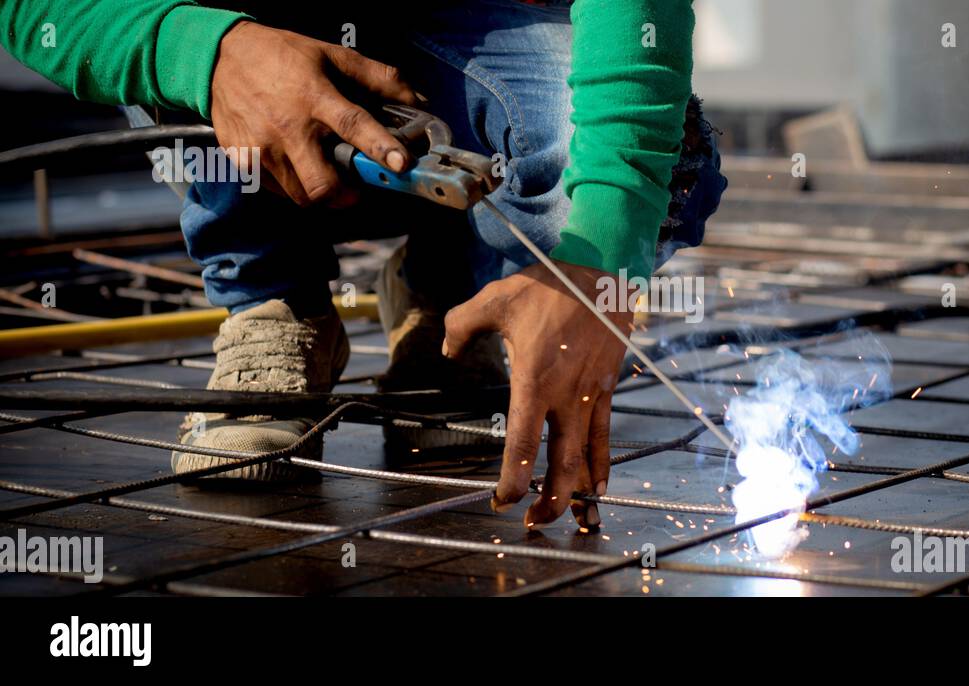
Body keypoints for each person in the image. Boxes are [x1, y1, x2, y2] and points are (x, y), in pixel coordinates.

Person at [0, 0, 726, 530]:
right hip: (252, 28)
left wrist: (599, 256)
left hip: (473, 25)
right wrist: (204, 50)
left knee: (671, 156)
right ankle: (270, 298)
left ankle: (455, 305)